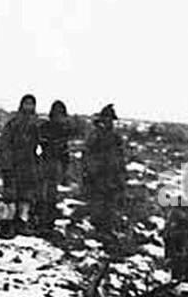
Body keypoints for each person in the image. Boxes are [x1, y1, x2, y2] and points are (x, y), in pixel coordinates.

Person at [81, 104, 128, 252]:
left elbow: (120, 157)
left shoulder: (116, 137)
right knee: (98, 204)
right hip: (98, 177)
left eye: (111, 119)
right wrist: (91, 172)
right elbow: (88, 155)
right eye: (106, 118)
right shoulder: (95, 135)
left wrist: (121, 175)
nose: (109, 121)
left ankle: (107, 231)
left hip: (112, 177)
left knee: (110, 205)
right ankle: (99, 232)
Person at [0, 94, 41, 238]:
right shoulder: (13, 124)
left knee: (26, 196)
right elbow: (5, 145)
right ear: (21, 105)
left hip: (28, 165)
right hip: (13, 163)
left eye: (31, 104)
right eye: (26, 103)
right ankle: (6, 224)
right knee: (9, 195)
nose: (29, 107)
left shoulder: (35, 125)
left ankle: (22, 223)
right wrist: (6, 164)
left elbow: (38, 146)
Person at [36, 99, 72, 230]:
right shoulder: (44, 127)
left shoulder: (64, 130)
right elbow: (38, 145)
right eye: (57, 114)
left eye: (61, 114)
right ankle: (39, 219)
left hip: (55, 164)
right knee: (41, 192)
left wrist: (65, 168)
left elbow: (65, 151)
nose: (59, 117)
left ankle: (48, 222)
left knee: (51, 194)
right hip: (44, 162)